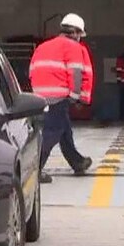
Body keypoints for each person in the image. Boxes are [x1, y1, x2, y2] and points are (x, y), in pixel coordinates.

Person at [29, 13, 95, 183]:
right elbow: (76, 73)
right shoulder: (73, 47)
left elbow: (31, 71)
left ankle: (77, 162)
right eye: (80, 34)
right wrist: (75, 97)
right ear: (75, 32)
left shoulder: (43, 46)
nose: (80, 38)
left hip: (40, 95)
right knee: (52, 132)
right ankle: (34, 171)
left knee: (64, 130)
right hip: (58, 96)